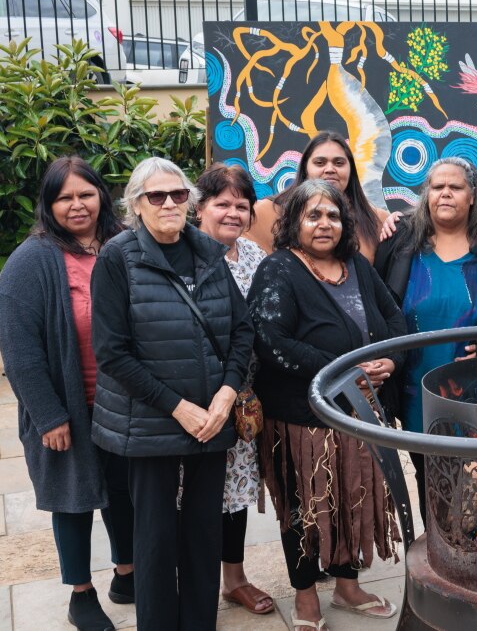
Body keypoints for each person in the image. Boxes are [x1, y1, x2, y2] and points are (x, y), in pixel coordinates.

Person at [90, 157, 254, 630]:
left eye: (178, 194)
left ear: (190, 201)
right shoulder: (117, 258)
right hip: (151, 420)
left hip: (212, 417)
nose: (168, 203)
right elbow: (112, 353)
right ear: (135, 206)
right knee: (156, 537)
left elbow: (242, 331)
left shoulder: (208, 251)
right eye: (155, 196)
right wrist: (179, 408)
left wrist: (226, 394)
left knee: (204, 531)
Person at [248, 179, 404, 630]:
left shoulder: (356, 264)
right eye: (313, 215)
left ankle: (348, 586)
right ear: (294, 221)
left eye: (333, 215)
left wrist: (389, 359)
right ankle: (305, 597)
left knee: (351, 500)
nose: (324, 224)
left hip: (358, 414)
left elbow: (393, 319)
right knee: (305, 508)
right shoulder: (278, 269)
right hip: (302, 418)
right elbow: (271, 342)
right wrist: (345, 369)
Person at [0, 157, 134, 631]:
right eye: (64, 197)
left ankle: (126, 573)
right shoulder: (30, 262)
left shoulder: (123, 245)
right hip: (69, 408)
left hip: (124, 403)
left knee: (124, 493)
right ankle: (81, 594)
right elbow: (20, 353)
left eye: (85, 193)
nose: (77, 205)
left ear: (101, 195)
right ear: (48, 204)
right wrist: (50, 416)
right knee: (72, 499)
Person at [374, 157, 477, 523]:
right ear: (426, 196)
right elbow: (377, 302)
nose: (445, 193)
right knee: (432, 476)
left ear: (472, 197)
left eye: (456, 187)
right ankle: (440, 550)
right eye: (437, 187)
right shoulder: (402, 243)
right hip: (418, 391)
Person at [192, 163, 274, 615]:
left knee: (235, 490)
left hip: (242, 401)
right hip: (193, 399)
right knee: (193, 495)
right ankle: (192, 582)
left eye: (241, 206)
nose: (232, 213)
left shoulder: (254, 256)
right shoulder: (181, 254)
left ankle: (234, 579)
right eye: (221, 204)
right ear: (199, 207)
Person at [244, 131, 390, 261]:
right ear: (305, 169)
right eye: (320, 163)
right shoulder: (268, 212)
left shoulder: (377, 220)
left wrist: (399, 223)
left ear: (350, 170)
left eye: (339, 163)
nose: (330, 169)